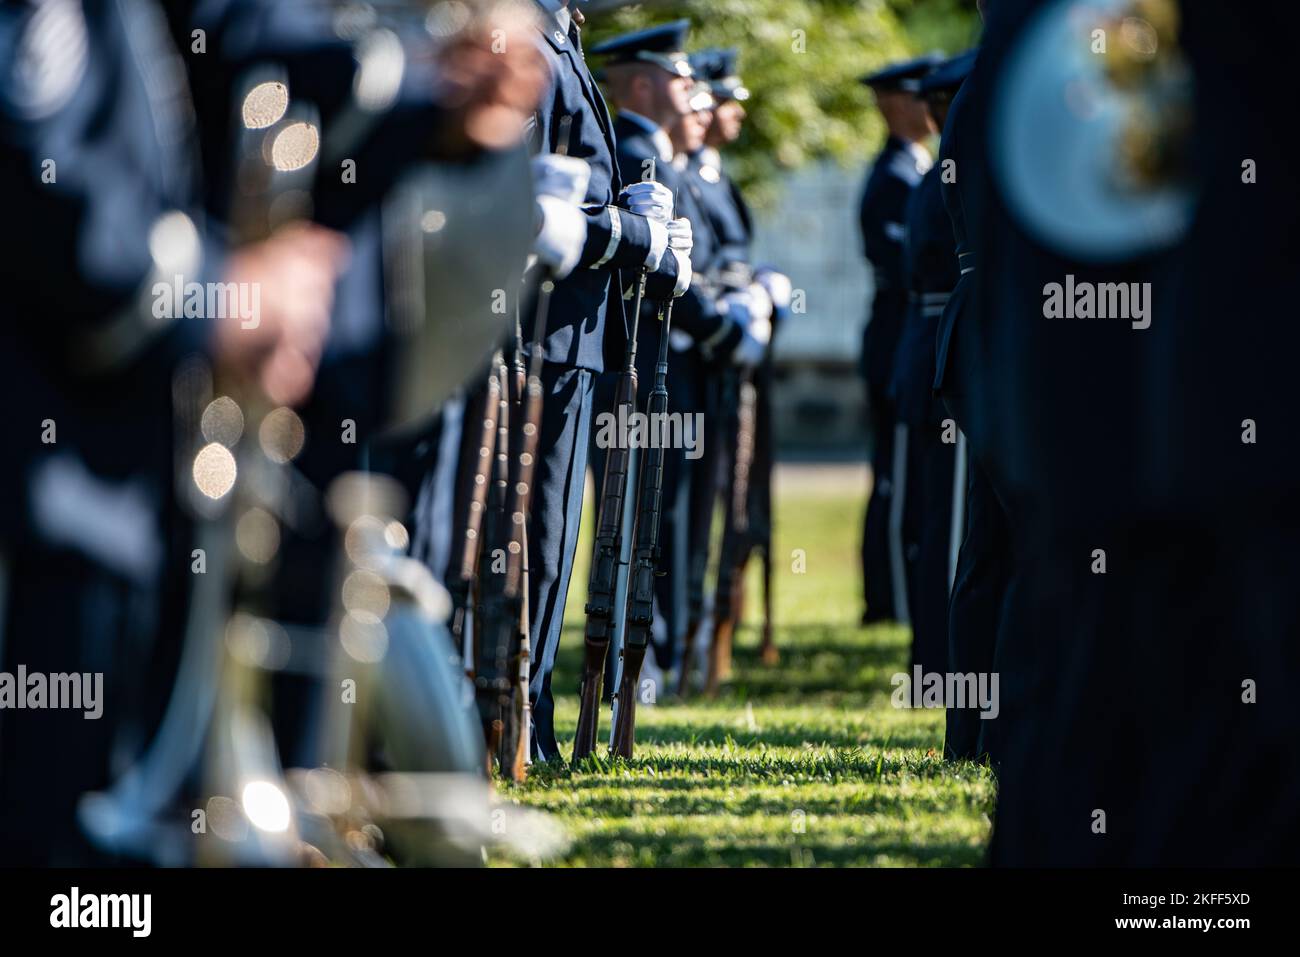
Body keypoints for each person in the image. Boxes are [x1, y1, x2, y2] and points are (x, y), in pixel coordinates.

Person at [512, 1, 696, 763]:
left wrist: (628, 219)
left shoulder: (564, 43)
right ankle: (510, 711)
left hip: (576, 336)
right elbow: (533, 202)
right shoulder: (532, 45)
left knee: (554, 535)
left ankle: (530, 712)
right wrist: (630, 235)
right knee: (533, 535)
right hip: (537, 331)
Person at [589, 20, 766, 689]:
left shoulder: (657, 154)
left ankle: (659, 648)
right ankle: (644, 653)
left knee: (669, 507)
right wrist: (722, 330)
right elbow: (666, 274)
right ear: (640, 82)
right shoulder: (639, 153)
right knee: (643, 507)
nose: (691, 87)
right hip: (643, 358)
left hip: (671, 357)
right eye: (676, 75)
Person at [891, 49, 977, 700]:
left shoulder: (931, 173)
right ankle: (940, 671)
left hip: (935, 343)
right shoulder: (937, 176)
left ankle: (938, 668)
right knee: (947, 530)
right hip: (939, 351)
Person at [856, 54, 940, 627]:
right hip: (894, 342)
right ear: (893, 105)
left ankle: (897, 593)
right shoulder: (892, 176)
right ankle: (887, 601)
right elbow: (905, 260)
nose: (929, 108)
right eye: (919, 97)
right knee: (894, 478)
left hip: (901, 334)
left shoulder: (913, 169)